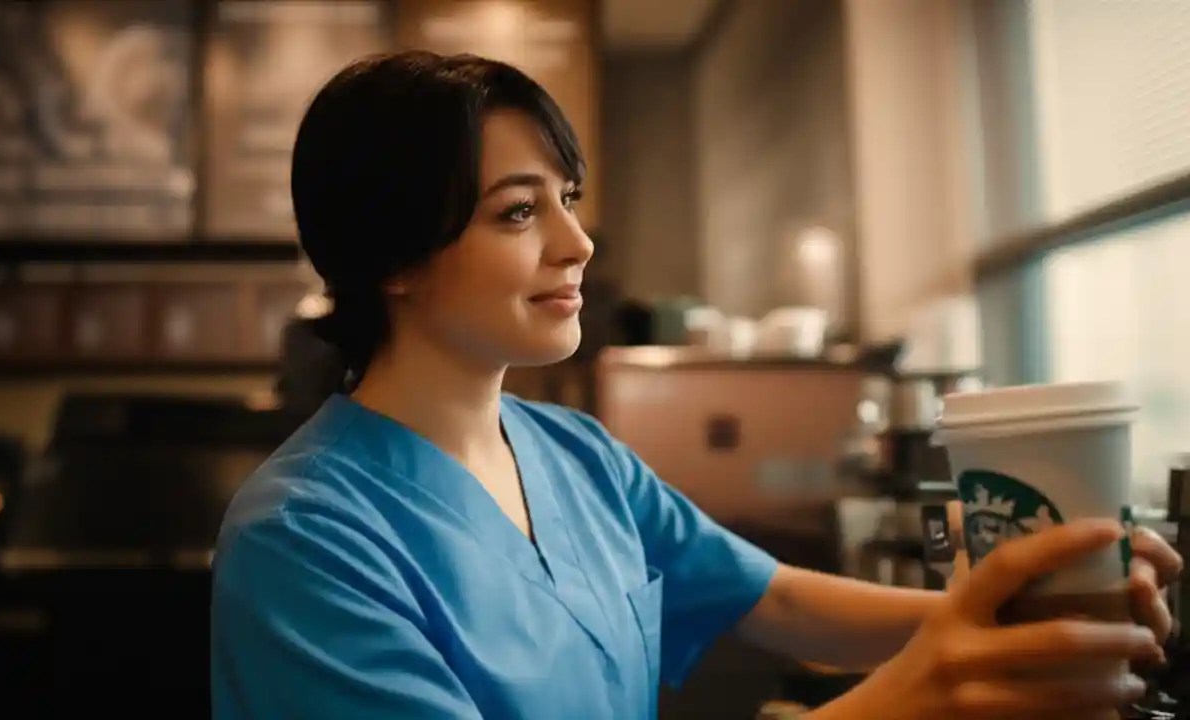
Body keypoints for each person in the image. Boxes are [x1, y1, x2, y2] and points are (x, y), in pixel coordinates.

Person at [209, 51, 1182, 720]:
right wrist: (912, 698)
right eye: (516, 213)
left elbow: (780, 604)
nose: (576, 244)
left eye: (568, 203)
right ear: (393, 256)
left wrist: (1034, 621)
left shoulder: (575, 457)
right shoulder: (305, 539)